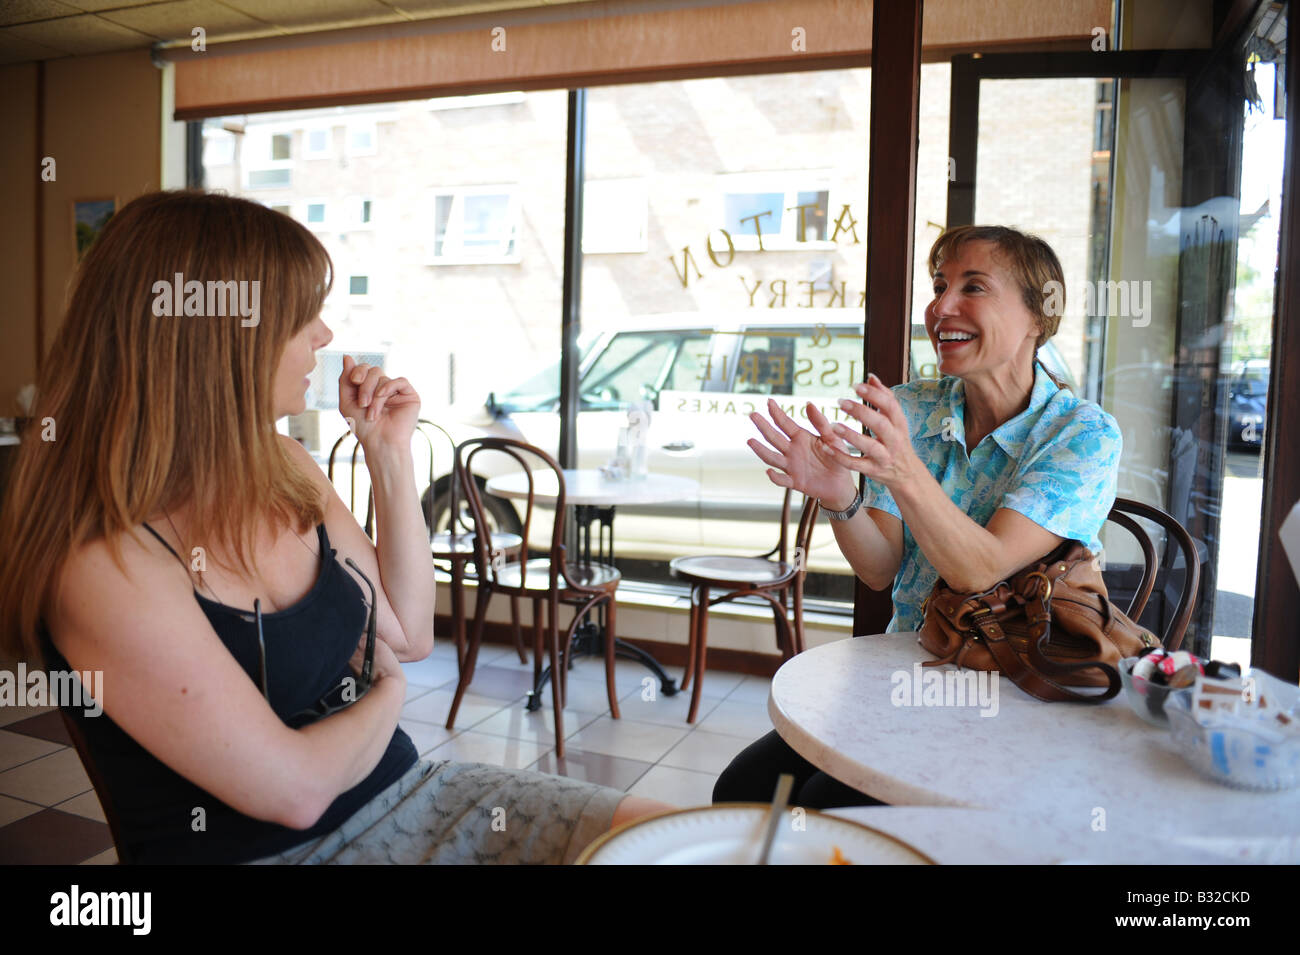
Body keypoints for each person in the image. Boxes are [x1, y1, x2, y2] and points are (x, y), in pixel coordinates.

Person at [0, 190, 665, 865]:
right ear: (217, 337)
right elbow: (296, 791)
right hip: (290, 852)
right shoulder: (101, 564)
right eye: (301, 316)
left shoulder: (283, 463)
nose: (324, 335)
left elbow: (405, 631)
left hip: (412, 794)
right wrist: (387, 699)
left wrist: (387, 453)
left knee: (667, 833)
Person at [713, 225, 1123, 808]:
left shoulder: (1080, 434)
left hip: (1017, 690)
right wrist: (839, 495)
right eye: (939, 285)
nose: (940, 307)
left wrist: (905, 471)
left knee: (828, 805)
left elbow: (981, 571)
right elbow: (882, 571)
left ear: (1038, 315)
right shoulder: (913, 408)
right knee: (745, 790)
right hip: (909, 666)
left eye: (972, 287)